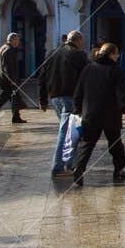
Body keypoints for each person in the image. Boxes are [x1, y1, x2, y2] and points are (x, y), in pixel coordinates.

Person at [70, 42, 125, 185]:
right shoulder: (115, 70)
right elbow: (121, 91)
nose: (118, 56)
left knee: (87, 143)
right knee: (115, 143)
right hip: (111, 114)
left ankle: (79, 168)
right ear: (111, 54)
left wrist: (77, 108)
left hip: (90, 114)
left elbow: (79, 89)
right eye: (116, 53)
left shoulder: (88, 68)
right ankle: (119, 169)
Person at [43, 31, 88, 176]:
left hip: (55, 97)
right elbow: (88, 75)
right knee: (66, 133)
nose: (83, 44)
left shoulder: (52, 53)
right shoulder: (78, 54)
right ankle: (58, 167)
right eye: (82, 41)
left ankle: (69, 164)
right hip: (70, 97)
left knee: (71, 132)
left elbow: (42, 76)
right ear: (78, 40)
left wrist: (42, 99)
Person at [0, 33, 26, 124]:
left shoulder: (4, 47)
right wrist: (12, 80)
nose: (18, 42)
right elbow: (8, 67)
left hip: (5, 79)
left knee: (15, 97)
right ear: (12, 40)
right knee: (1, 99)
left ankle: (16, 117)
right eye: (17, 40)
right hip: (7, 80)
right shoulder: (9, 50)